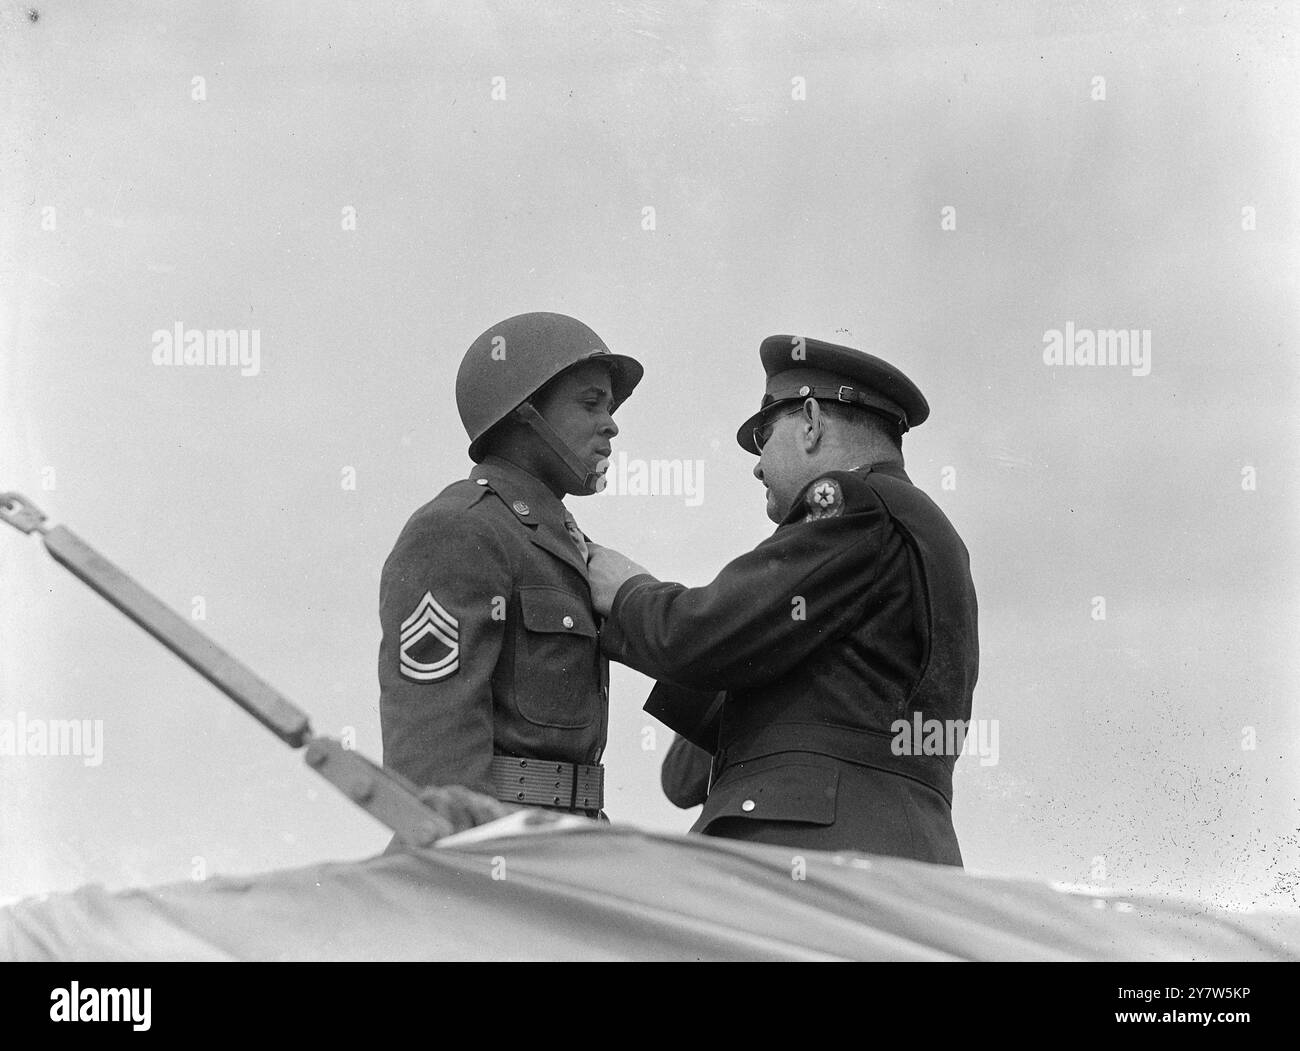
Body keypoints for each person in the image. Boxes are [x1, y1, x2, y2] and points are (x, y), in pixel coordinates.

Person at [588, 335, 978, 865]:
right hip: (902, 850)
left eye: (763, 438)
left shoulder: (851, 501)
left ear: (812, 421)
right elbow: (685, 779)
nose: (756, 466)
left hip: (810, 851)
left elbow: (703, 632)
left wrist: (627, 590)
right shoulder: (924, 529)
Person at [378, 311, 642, 819]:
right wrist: (473, 864)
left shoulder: (564, 543)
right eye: (590, 404)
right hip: (505, 849)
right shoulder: (460, 530)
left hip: (573, 843)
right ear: (524, 414)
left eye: (609, 406)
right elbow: (433, 745)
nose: (611, 423)